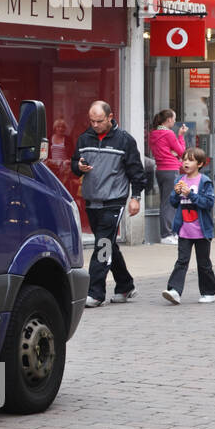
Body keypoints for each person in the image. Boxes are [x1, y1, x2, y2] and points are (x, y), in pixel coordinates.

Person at [72, 100, 149, 307]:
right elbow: (73, 164)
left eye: (99, 121)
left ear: (110, 117)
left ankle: (96, 293)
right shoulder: (84, 138)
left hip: (114, 201)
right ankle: (125, 285)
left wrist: (136, 198)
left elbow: (137, 172)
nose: (95, 125)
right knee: (108, 244)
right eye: (92, 121)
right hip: (92, 200)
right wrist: (78, 166)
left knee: (102, 245)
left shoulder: (125, 141)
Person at [162, 148, 215, 304]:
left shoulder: (204, 181)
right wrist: (176, 193)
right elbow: (173, 203)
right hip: (184, 230)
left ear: (199, 164)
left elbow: (208, 203)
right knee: (181, 261)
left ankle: (209, 292)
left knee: (204, 263)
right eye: (184, 159)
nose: (186, 162)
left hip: (202, 230)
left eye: (190, 160)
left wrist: (190, 194)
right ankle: (174, 291)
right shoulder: (180, 179)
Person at [148, 108, 188, 245]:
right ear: (169, 120)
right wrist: (181, 136)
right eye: (174, 119)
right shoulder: (169, 134)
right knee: (169, 203)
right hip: (171, 170)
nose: (175, 121)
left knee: (166, 202)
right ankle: (166, 234)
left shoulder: (153, 134)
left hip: (160, 170)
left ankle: (170, 233)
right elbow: (181, 151)